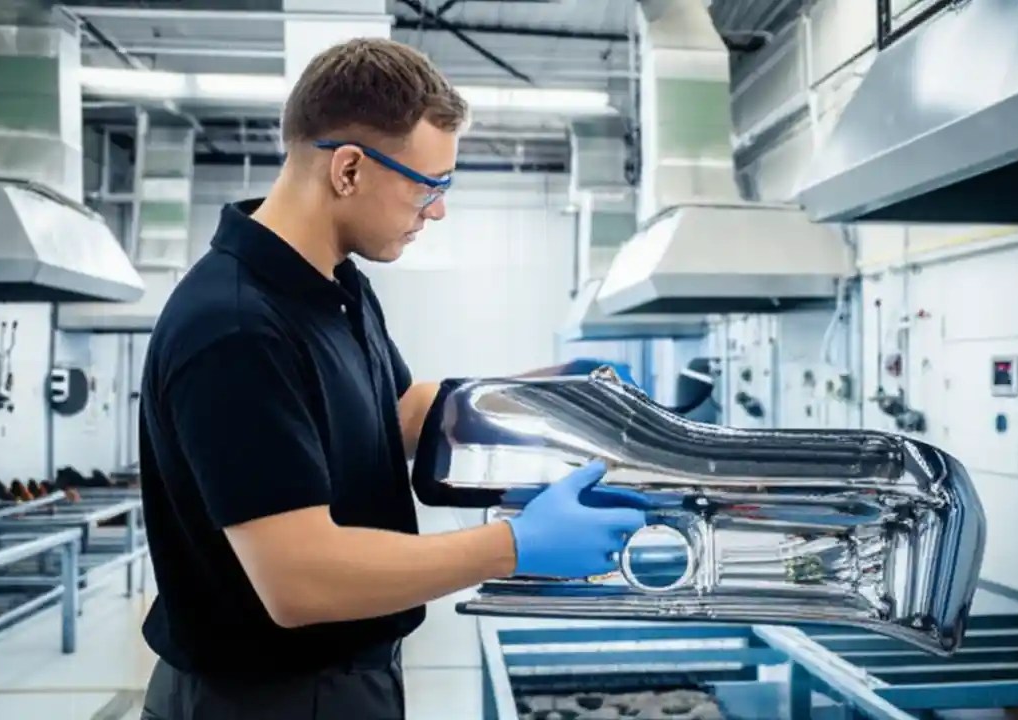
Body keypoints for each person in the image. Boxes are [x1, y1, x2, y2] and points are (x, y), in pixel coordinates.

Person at [136, 38, 648, 719]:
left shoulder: (336, 285)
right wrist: (515, 545)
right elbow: (300, 580)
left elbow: (394, 413)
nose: (436, 210)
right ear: (348, 168)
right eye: (429, 185)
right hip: (262, 698)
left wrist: (546, 400)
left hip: (346, 677)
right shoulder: (234, 327)